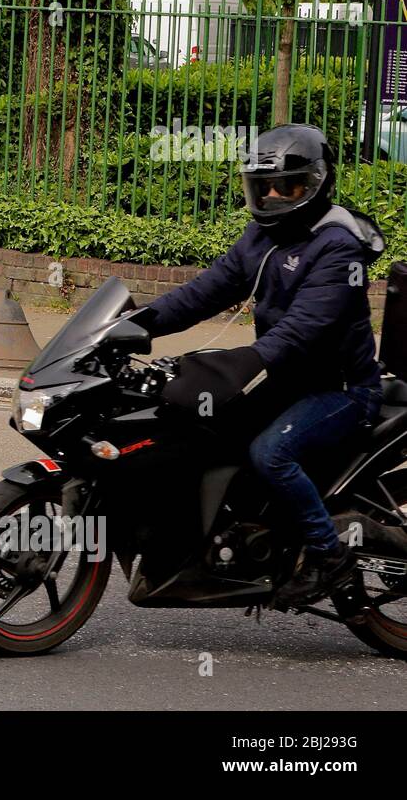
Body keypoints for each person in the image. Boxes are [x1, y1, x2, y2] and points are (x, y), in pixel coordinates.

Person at [140, 123, 385, 607]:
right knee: (200, 430)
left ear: (315, 184)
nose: (272, 195)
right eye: (262, 186)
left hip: (342, 391)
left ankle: (328, 559)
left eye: (286, 185)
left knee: (270, 453)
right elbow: (206, 291)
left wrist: (244, 361)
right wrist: (136, 323)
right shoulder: (260, 236)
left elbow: (304, 328)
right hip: (290, 383)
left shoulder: (337, 246)